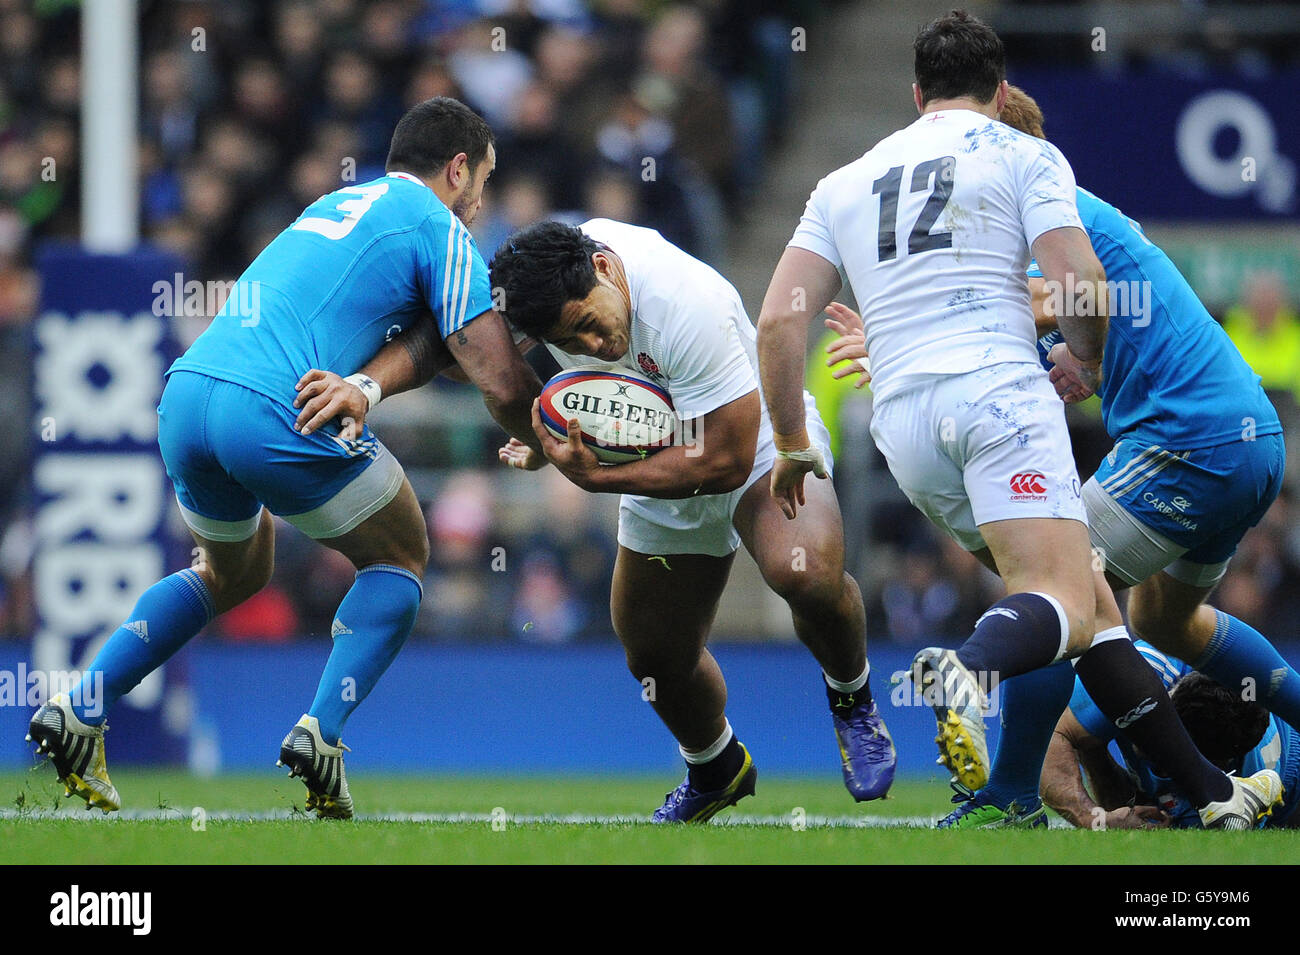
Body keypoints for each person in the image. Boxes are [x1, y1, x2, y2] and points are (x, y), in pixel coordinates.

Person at [756, 10, 1280, 829]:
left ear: (916, 93)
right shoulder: (1027, 163)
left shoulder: (845, 181)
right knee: (1083, 604)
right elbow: (1076, 290)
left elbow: (780, 323)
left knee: (1080, 600)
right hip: (1057, 411)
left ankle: (1179, 793)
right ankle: (994, 696)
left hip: (921, 426)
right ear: (999, 94)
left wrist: (793, 440)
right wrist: (1090, 357)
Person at [27, 97, 543, 818]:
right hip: (274, 404)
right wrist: (556, 436)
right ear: (457, 168)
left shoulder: (336, 205)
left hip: (189, 395)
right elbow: (494, 373)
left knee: (233, 569)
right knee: (400, 552)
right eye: (482, 180)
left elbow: (438, 347)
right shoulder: (438, 225)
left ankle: (80, 707)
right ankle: (320, 734)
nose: (482, 201)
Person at [475, 218, 893, 821]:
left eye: (591, 324)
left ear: (604, 269)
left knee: (804, 575)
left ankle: (852, 699)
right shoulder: (544, 290)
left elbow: (724, 461)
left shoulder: (683, 302)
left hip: (754, 437)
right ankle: (715, 767)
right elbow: (470, 357)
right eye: (573, 340)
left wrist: (597, 477)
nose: (594, 346)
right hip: (660, 449)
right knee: (652, 652)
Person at [1043, 649, 1299, 830]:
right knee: (1087, 740)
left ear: (1217, 764)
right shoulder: (1146, 668)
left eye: (1162, 756)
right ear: (1170, 694)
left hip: (1292, 785)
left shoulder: (1244, 782)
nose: (1143, 745)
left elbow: (1143, 817)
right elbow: (1050, 736)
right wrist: (1092, 818)